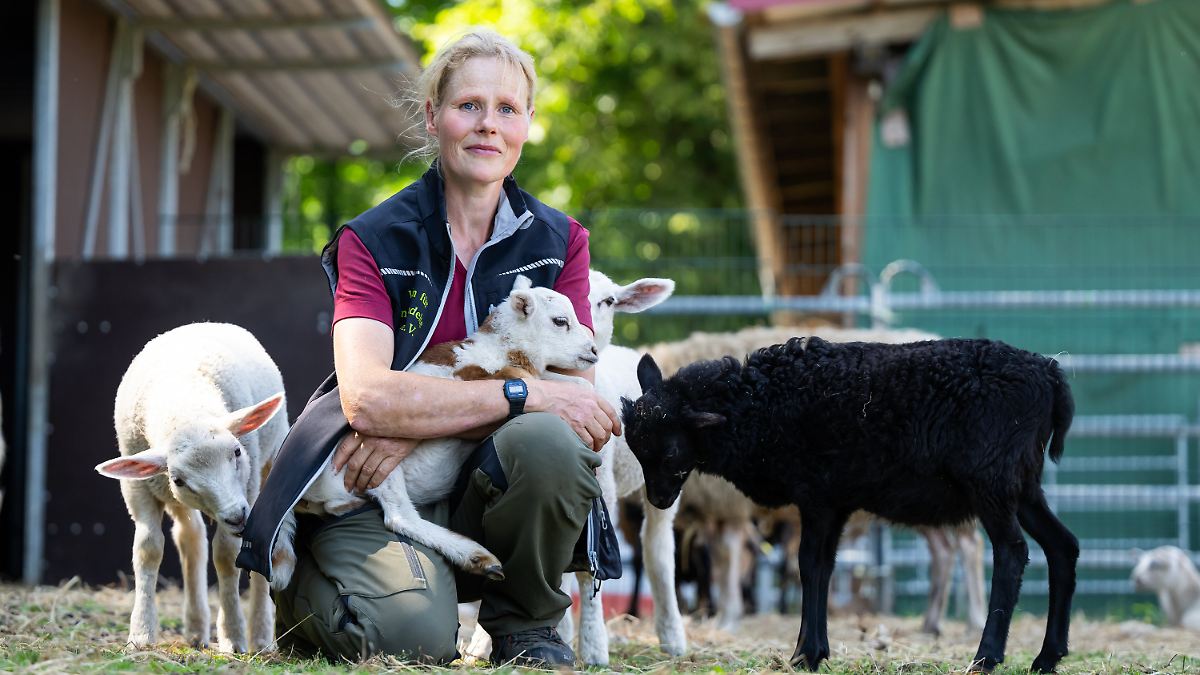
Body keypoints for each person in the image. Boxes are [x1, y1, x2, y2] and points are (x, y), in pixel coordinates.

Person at [265, 30, 619, 666]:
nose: (489, 125)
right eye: (469, 106)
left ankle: (526, 626)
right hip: (375, 479)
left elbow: (577, 405)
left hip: (474, 474)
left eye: (507, 109)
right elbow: (368, 399)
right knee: (409, 639)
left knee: (550, 442)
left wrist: (423, 417)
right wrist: (520, 393)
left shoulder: (561, 241)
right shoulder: (374, 240)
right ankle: (308, 594)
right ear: (433, 117)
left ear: (527, 124)